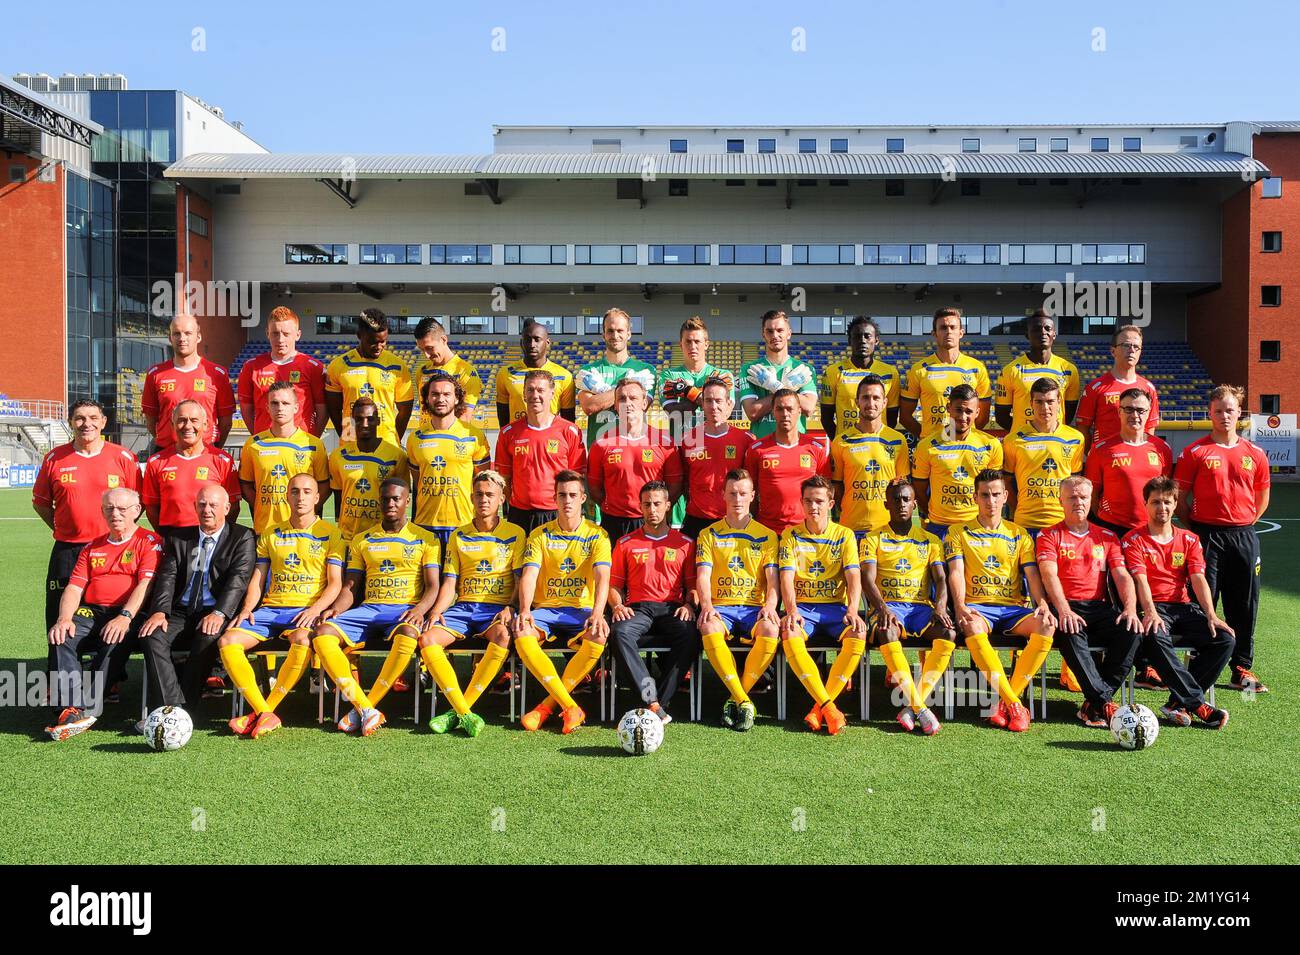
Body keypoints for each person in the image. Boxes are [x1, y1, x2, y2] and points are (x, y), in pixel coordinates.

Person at [311, 478, 441, 736]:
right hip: (369, 609)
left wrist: (419, 610)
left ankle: (367, 705)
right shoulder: (363, 539)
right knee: (323, 633)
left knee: (410, 633)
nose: (390, 504)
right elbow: (350, 586)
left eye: (396, 499)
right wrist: (336, 608)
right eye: (385, 499)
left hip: (404, 608)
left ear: (407, 501)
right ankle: (365, 707)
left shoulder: (426, 539)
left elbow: (433, 586)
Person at [220, 474, 347, 737]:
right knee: (228, 641)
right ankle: (265, 712)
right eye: (295, 491)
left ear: (317, 497)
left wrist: (314, 610)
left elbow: (335, 584)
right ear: (287, 496)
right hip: (270, 610)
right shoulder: (270, 534)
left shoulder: (332, 534)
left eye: (307, 492)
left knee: (302, 640)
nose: (300, 497)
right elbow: (257, 578)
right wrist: (247, 609)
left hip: (305, 611)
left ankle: (263, 711)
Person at [1173, 384, 1270, 693]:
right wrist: (1199, 527)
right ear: (1209, 414)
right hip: (1205, 535)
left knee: (1244, 602)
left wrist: (1242, 523)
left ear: (1239, 412)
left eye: (1230, 410)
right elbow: (1180, 499)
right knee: (1203, 601)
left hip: (1243, 535)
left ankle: (1241, 668)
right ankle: (1201, 661)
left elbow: (1262, 497)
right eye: (1218, 411)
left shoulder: (1255, 453)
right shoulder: (1195, 452)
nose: (1224, 415)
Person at [44, 488, 162, 741]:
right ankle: (69, 708)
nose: (115, 514)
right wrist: (64, 618)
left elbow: (146, 585)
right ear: (102, 512)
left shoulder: (149, 542)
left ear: (137, 511)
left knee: (116, 638)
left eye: (122, 509)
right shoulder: (92, 546)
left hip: (130, 612)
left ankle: (87, 706)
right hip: (94, 610)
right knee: (61, 635)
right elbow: (75, 588)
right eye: (109, 508)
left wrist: (126, 616)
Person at [945, 469, 1056, 733]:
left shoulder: (1020, 534)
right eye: (984, 495)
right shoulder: (957, 532)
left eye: (996, 494)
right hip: (978, 607)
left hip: (1013, 609)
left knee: (1047, 625)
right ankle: (1015, 705)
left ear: (1006, 496)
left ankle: (1006, 702)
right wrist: (960, 605)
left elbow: (1032, 574)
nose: (991, 501)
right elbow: (956, 572)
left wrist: (1042, 603)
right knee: (971, 625)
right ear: (975, 497)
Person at [1122, 476, 1232, 728]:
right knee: (1155, 634)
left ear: (1175, 504)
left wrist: (1212, 615)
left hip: (1183, 607)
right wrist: (1149, 612)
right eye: (1156, 502)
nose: (1162, 507)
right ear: (1145, 505)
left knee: (1225, 639)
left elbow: (1198, 579)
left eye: (1168, 502)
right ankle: (1197, 704)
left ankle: (1177, 703)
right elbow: (1140, 580)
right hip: (1153, 607)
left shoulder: (1189, 539)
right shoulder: (1133, 539)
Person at [421, 471, 525, 736]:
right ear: (471, 497)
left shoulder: (515, 534)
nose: (483, 500)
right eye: (478, 494)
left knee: (503, 635)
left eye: (490, 495)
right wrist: (436, 611)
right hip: (464, 607)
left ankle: (459, 709)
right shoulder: (459, 535)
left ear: (502, 499)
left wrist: (511, 607)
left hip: (496, 609)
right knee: (427, 639)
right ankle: (464, 712)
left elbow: (520, 580)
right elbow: (449, 584)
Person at [1035, 476, 1144, 728]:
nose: (1078, 502)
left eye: (1083, 497)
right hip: (1065, 606)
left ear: (1091, 499)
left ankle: (1095, 703)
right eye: (1072, 497)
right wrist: (1063, 610)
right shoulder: (1049, 535)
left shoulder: (1106, 536)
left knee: (1132, 630)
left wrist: (1129, 609)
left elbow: (1122, 575)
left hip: (1100, 608)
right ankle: (1104, 703)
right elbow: (1048, 574)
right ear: (1060, 500)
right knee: (1071, 630)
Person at [139, 485, 257, 711]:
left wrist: (220, 613)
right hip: (180, 611)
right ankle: (171, 706)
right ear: (194, 507)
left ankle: (184, 706)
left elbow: (238, 579)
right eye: (202, 504)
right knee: (151, 635)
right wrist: (159, 611)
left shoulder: (242, 537)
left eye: (213, 505)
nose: (207, 510)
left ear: (227, 508)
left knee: (207, 636)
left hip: (215, 609)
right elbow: (167, 578)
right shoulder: (179, 538)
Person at [513, 471, 612, 734]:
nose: (567, 500)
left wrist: (599, 613)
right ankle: (570, 706)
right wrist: (524, 610)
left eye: (572, 495)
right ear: (554, 499)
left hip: (582, 610)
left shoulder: (598, 535)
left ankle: (545, 707)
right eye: (561, 495)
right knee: (521, 629)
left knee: (599, 634)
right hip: (546, 610)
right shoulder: (539, 535)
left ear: (582, 498)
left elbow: (603, 578)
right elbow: (529, 575)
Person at [33, 399, 140, 632]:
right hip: (67, 549)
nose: (86, 424)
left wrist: (117, 534)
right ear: (71, 422)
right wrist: (62, 526)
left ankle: (109, 667)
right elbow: (41, 503)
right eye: (80, 418)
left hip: (112, 548)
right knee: (59, 612)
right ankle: (58, 666)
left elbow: (134, 506)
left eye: (93, 418)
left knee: (108, 609)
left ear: (103, 422)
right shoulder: (54, 458)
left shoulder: (123, 457)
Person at [860, 482, 956, 736]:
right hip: (888, 606)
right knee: (887, 631)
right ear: (886, 504)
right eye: (896, 499)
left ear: (915, 504)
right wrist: (881, 608)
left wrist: (942, 606)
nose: (901, 504)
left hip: (920, 608)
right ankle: (921, 708)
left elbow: (941, 579)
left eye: (906, 500)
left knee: (948, 633)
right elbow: (867, 579)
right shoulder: (872, 538)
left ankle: (914, 705)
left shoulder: (930, 539)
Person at [777, 476, 866, 735]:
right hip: (803, 608)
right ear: (801, 503)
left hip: (836, 608)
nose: (813, 506)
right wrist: (791, 610)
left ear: (831, 503)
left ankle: (819, 708)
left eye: (819, 501)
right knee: (790, 630)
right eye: (808, 501)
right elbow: (786, 578)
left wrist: (852, 610)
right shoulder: (790, 535)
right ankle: (829, 706)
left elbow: (853, 577)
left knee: (858, 631)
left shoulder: (844, 535)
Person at [695, 468, 781, 731]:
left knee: (770, 627)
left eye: (743, 493)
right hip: (722, 608)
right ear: (723, 495)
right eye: (732, 493)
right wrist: (707, 606)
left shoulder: (767, 536)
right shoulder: (708, 534)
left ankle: (736, 697)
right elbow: (702, 576)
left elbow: (774, 581)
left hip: (754, 608)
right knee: (709, 625)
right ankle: (745, 700)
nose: (737, 499)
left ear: (752, 496)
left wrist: (769, 605)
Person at [608, 481, 699, 723]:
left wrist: (689, 605)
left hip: (672, 609)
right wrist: (618, 606)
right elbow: (614, 586)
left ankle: (657, 701)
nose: (652, 509)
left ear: (668, 505)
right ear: (640, 506)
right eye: (647, 504)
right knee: (619, 633)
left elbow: (693, 587)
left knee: (691, 633)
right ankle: (652, 701)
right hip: (638, 609)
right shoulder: (626, 543)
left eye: (657, 503)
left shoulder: (685, 544)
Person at [588, 378, 683, 543]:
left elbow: (674, 487)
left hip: (653, 521)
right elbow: (595, 490)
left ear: (644, 402)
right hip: (614, 522)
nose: (627, 403)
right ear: (615, 406)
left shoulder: (664, 442)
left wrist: (655, 510)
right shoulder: (601, 444)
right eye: (622, 399)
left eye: (633, 398)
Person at [406, 371, 491, 553]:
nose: (440, 399)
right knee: (429, 582)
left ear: (457, 399)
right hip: (425, 526)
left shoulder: (473, 436)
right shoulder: (416, 438)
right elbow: (418, 480)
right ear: (427, 399)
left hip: (463, 525)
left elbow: (483, 483)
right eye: (435, 394)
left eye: (447, 394)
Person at [494, 369, 587, 531]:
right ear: (523, 394)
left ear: (552, 394)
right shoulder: (508, 433)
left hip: (557, 513)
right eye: (530, 390)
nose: (535, 395)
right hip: (520, 514)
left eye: (541, 390)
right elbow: (505, 479)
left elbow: (577, 479)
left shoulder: (569, 431)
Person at [911, 384, 1003, 539]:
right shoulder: (927, 446)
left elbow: (995, 491)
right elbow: (919, 489)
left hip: (977, 526)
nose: (963, 416)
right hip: (939, 527)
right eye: (958, 410)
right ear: (948, 408)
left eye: (969, 411)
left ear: (977, 412)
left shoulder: (990, 445)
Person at [239, 382, 330, 535]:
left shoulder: (313, 445)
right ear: (267, 408)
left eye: (285, 403)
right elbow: (246, 485)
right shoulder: (253, 444)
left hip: (303, 531)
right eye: (274, 403)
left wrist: (306, 510)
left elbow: (324, 486)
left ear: (296, 407)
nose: (280, 408)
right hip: (265, 530)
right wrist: (261, 506)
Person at [1083, 387, 1173, 536]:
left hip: (1150, 529)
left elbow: (1166, 493)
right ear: (1119, 412)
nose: (1135, 415)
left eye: (1140, 410)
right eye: (1129, 409)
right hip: (1111, 528)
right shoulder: (1101, 449)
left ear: (1149, 413)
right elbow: (1092, 495)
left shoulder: (1162, 448)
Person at [829, 374, 909, 541]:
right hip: (851, 527)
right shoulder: (841, 442)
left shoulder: (897, 440)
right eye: (865, 398)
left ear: (884, 403)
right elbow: (837, 486)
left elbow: (901, 486)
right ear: (857, 402)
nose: (870, 403)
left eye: (876, 398)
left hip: (887, 528)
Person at [142, 400, 241, 534]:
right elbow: (151, 508)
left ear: (205, 425)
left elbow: (233, 507)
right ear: (172, 425)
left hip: (210, 538)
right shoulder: (156, 462)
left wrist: (217, 536)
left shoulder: (222, 460)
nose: (188, 426)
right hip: (172, 539)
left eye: (194, 420)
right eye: (182, 420)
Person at [1000, 377, 1085, 534]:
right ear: (1031, 403)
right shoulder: (1013, 440)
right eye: (1039, 402)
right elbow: (1006, 481)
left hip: (1062, 523)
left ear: (1059, 401)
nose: (1045, 407)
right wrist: (1018, 507)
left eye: (1050, 401)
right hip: (1025, 523)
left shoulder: (1075, 439)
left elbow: (1076, 484)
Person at [141, 312, 235, 452]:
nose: (182, 338)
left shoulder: (217, 374)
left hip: (206, 452)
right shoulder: (155, 374)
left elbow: (226, 423)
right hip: (166, 454)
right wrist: (171, 442)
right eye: (177, 333)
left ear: (198, 336)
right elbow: (150, 421)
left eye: (187, 333)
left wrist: (211, 448)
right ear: (170, 338)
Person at [744, 389, 831, 536]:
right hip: (767, 531)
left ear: (799, 411)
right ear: (772, 412)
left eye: (790, 409)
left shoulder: (815, 448)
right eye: (780, 409)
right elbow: (750, 493)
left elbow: (826, 492)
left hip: (805, 532)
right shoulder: (757, 450)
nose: (785, 414)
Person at [899, 307, 991, 442]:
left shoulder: (977, 368)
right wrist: (928, 438)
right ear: (934, 333)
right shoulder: (919, 370)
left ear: (961, 333)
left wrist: (962, 436)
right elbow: (905, 417)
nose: (948, 332)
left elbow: (983, 417)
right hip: (932, 450)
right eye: (943, 328)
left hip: (966, 447)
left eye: (953, 327)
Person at [679, 377, 754, 539]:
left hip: (733, 520)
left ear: (729, 404)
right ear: (703, 404)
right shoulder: (688, 439)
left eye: (719, 401)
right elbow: (684, 481)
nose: (714, 406)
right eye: (709, 401)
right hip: (696, 520)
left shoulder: (746, 440)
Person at [324, 308, 413, 445]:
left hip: (386, 444)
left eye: (383, 341)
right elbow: (333, 409)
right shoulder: (338, 366)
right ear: (359, 335)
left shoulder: (398, 366)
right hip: (351, 443)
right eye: (373, 341)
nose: (379, 346)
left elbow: (405, 410)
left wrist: (394, 439)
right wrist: (347, 435)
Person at [236, 305, 327, 436]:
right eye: (275, 333)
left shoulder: (313, 367)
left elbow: (322, 411)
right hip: (265, 446)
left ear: (297, 335)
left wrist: (311, 440)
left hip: (302, 448)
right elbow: (246, 410)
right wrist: (259, 436)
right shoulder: (251, 367)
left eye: (286, 334)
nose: (280, 339)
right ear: (267, 333)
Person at [328, 396, 408, 540]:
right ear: (352, 422)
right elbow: (338, 497)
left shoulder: (396, 456)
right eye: (359, 419)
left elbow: (401, 500)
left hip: (381, 537)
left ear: (378, 421)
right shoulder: (338, 456)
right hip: (348, 538)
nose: (365, 424)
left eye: (370, 419)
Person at [576, 307, 658, 445]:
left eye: (620, 330)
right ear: (603, 335)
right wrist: (629, 388)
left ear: (628, 334)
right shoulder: (588, 371)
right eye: (610, 331)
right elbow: (589, 407)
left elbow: (641, 406)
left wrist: (600, 391)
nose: (615, 335)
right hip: (599, 449)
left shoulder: (646, 370)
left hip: (634, 449)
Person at [1075, 324, 1160, 452]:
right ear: (1113, 351)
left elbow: (1149, 430)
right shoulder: (1095, 388)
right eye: (1126, 345)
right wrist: (1094, 456)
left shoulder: (1148, 389)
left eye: (1136, 347)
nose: (1132, 350)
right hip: (1104, 460)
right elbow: (1083, 429)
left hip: (1137, 460)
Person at [994, 309, 1081, 431]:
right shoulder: (1010, 371)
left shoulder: (1069, 370)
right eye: (1036, 329)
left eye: (1047, 328)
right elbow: (1001, 416)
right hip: (1024, 444)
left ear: (1054, 334)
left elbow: (1068, 413)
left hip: (1055, 443)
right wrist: (1025, 431)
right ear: (1027, 335)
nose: (1043, 332)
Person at [738, 310, 817, 440]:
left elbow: (808, 408)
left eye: (780, 330)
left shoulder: (804, 369)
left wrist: (775, 386)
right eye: (769, 331)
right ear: (763, 334)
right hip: (762, 446)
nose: (775, 335)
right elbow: (752, 413)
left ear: (789, 333)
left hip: (796, 446)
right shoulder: (749, 369)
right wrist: (786, 389)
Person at [820, 316, 900, 439]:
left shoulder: (890, 373)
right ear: (849, 341)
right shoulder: (833, 372)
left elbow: (892, 417)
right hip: (845, 447)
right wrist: (840, 441)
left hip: (879, 444)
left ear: (876, 340)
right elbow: (826, 418)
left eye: (867, 336)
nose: (862, 340)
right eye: (857, 336)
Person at [494, 319, 576, 426]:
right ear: (521, 343)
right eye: (527, 340)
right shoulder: (505, 374)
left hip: (550, 440)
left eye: (537, 339)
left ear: (547, 343)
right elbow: (503, 416)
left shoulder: (565, 376)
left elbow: (568, 420)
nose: (532, 344)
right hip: (517, 438)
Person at [413, 317, 482, 426]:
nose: (426, 355)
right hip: (425, 439)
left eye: (430, 348)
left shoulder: (466, 372)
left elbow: (465, 417)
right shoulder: (421, 372)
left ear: (444, 340)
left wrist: (443, 440)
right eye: (422, 350)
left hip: (450, 440)